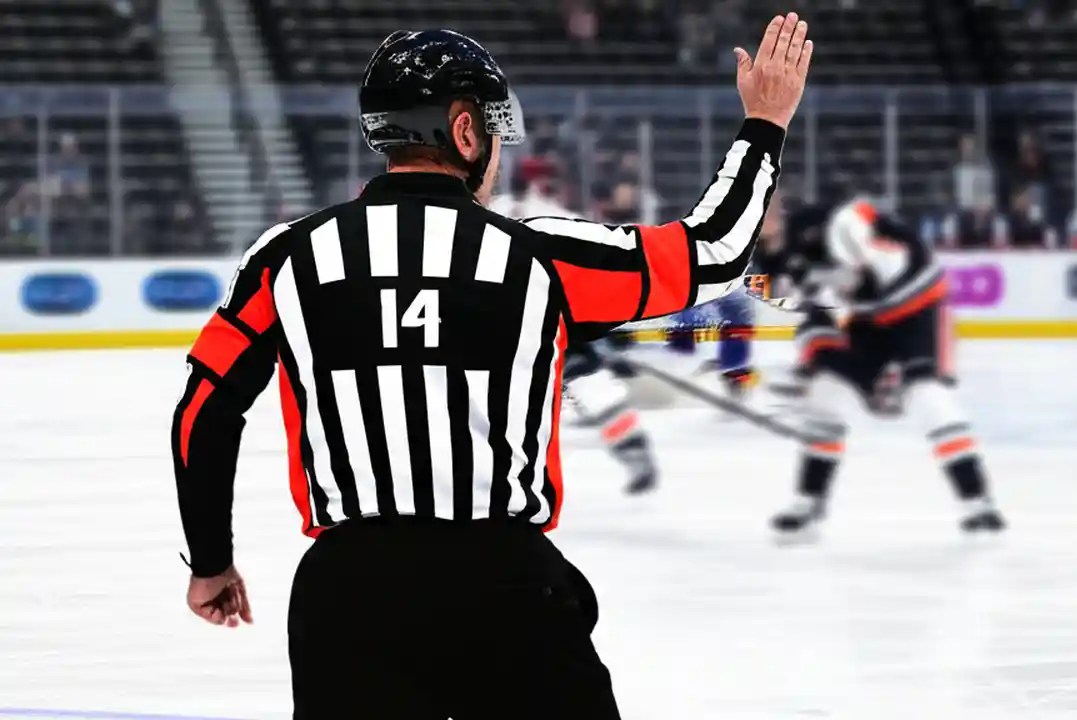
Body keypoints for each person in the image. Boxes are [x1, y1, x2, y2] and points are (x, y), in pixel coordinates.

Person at [170, 18, 810, 718]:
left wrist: (210, 560)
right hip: (504, 587)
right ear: (465, 132)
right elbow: (713, 253)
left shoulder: (285, 256)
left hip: (347, 597)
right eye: (494, 129)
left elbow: (205, 410)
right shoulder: (537, 255)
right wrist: (764, 123)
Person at [750, 198, 1006, 539]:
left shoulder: (830, 220)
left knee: (927, 397)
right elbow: (812, 314)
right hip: (867, 317)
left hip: (919, 306)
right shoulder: (763, 264)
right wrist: (813, 367)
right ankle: (809, 501)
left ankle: (978, 501)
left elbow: (882, 251)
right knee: (826, 395)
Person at [489, 160, 661, 495]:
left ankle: (634, 453)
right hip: (510, 327)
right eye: (544, 180)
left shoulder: (551, 216)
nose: (551, 185)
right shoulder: (506, 212)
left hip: (541, 326)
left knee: (592, 388)